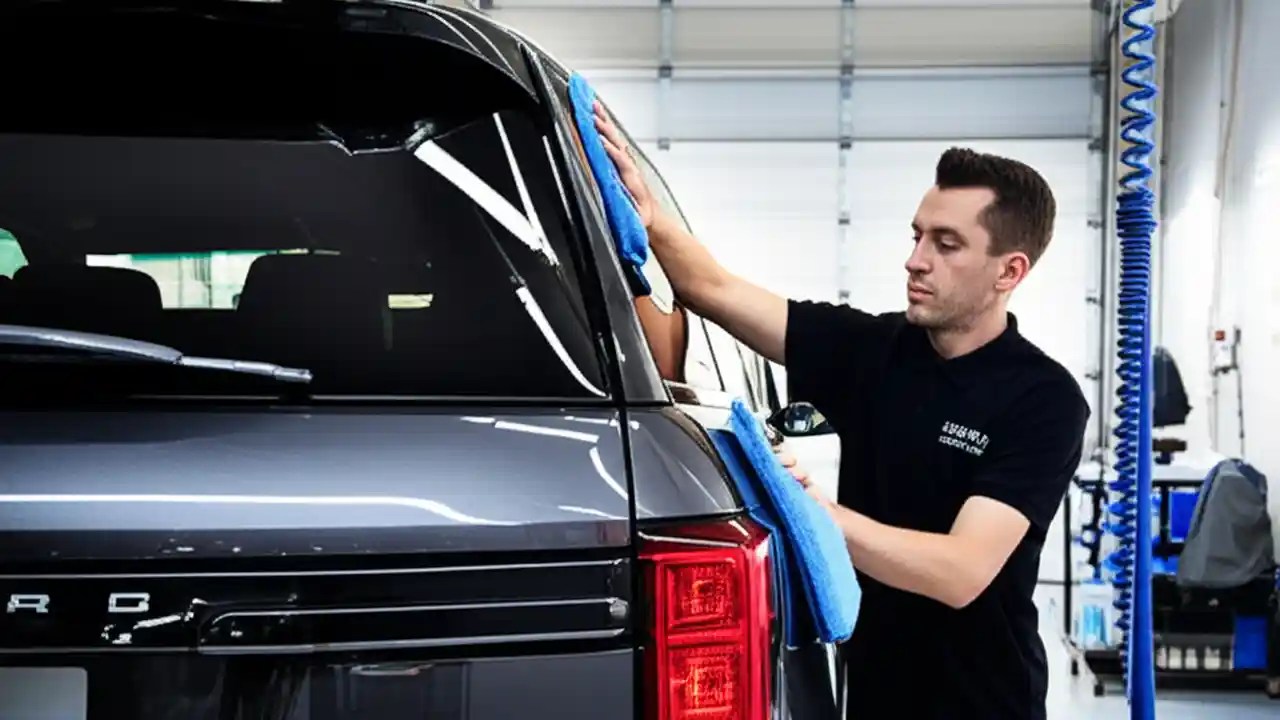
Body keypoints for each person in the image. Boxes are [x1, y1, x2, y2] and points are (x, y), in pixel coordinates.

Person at [593, 102, 1090, 720]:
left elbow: (960, 571)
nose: (916, 260)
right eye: (917, 235)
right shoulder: (873, 350)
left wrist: (811, 511)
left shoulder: (1042, 398)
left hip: (985, 702)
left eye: (947, 244)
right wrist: (639, 213)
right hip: (874, 694)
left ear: (1008, 271)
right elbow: (714, 290)